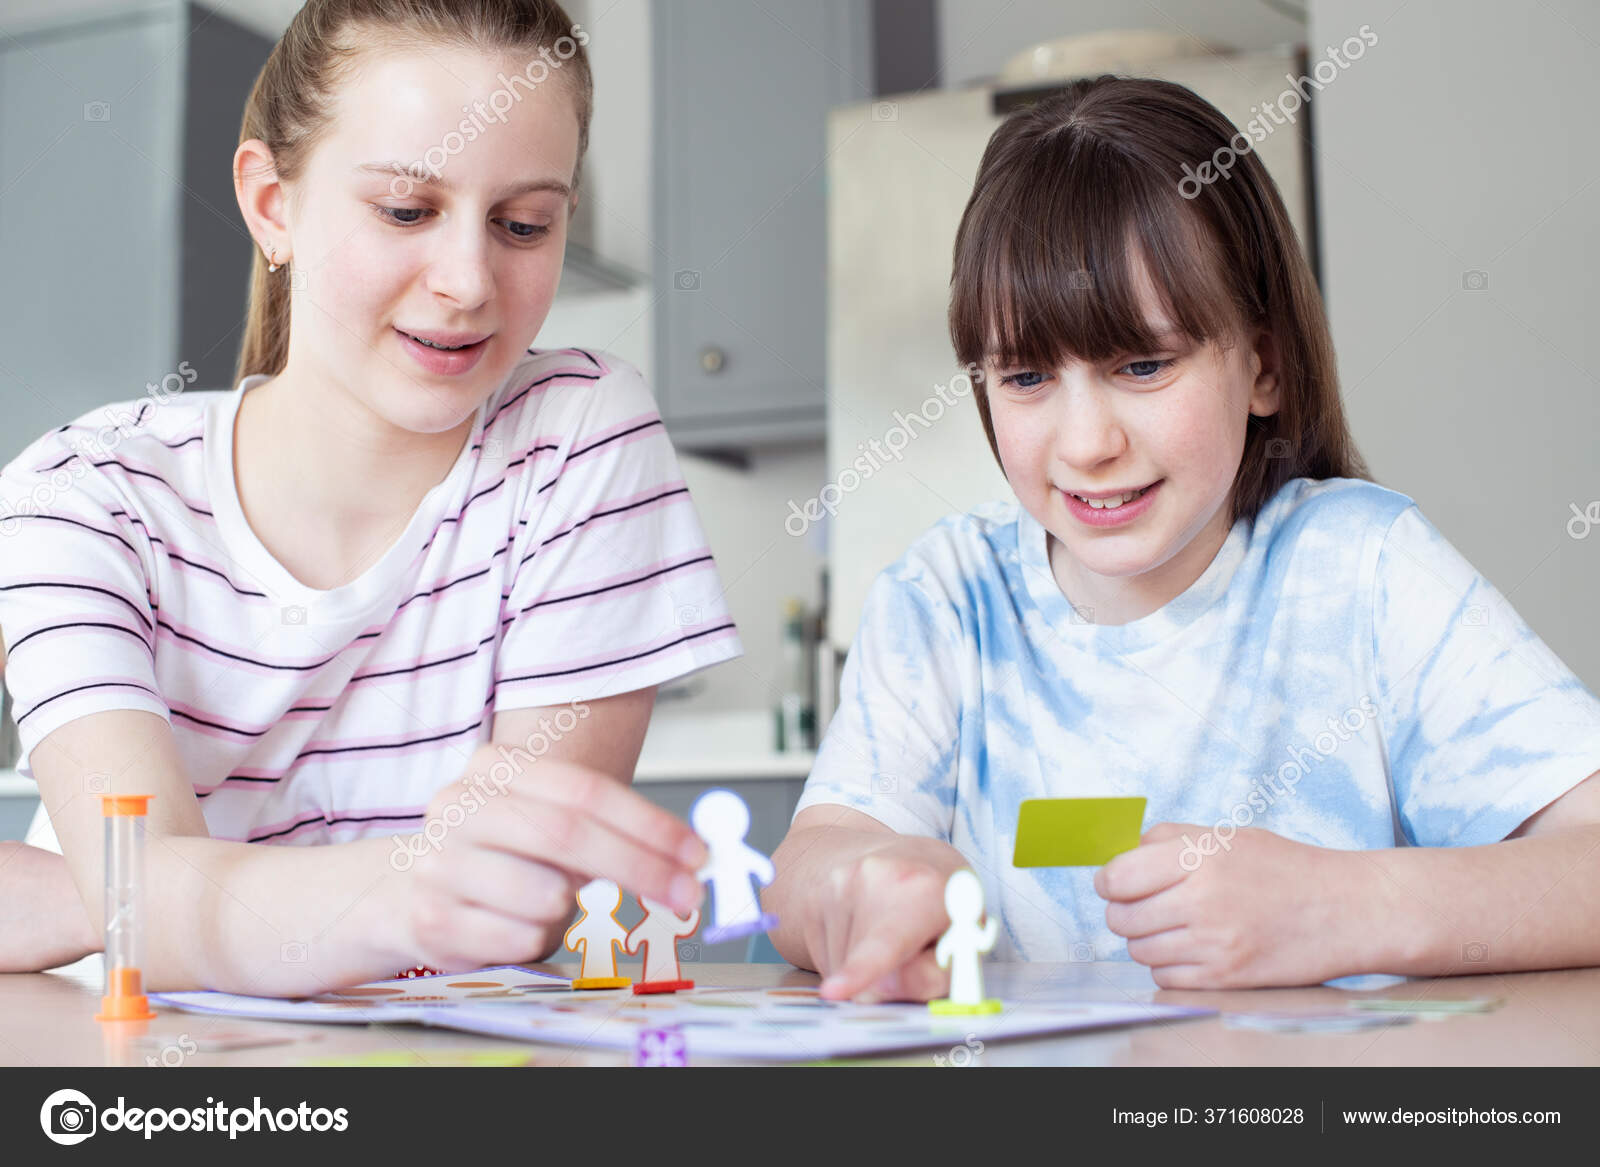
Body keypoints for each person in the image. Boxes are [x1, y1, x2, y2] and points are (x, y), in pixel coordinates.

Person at [768, 76, 1600, 1001]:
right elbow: (810, 864)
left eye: (1144, 364)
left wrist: (1347, 906)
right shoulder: (946, 597)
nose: (1088, 444)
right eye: (1029, 377)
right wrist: (856, 885)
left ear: (1263, 365)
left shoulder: (1360, 568)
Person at [0, 0, 740, 992]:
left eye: (524, 224)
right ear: (272, 205)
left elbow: (515, 903)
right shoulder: (83, 496)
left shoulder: (579, 436)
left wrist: (73, 901)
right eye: (405, 211)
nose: (468, 280)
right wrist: (387, 893)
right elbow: (149, 914)